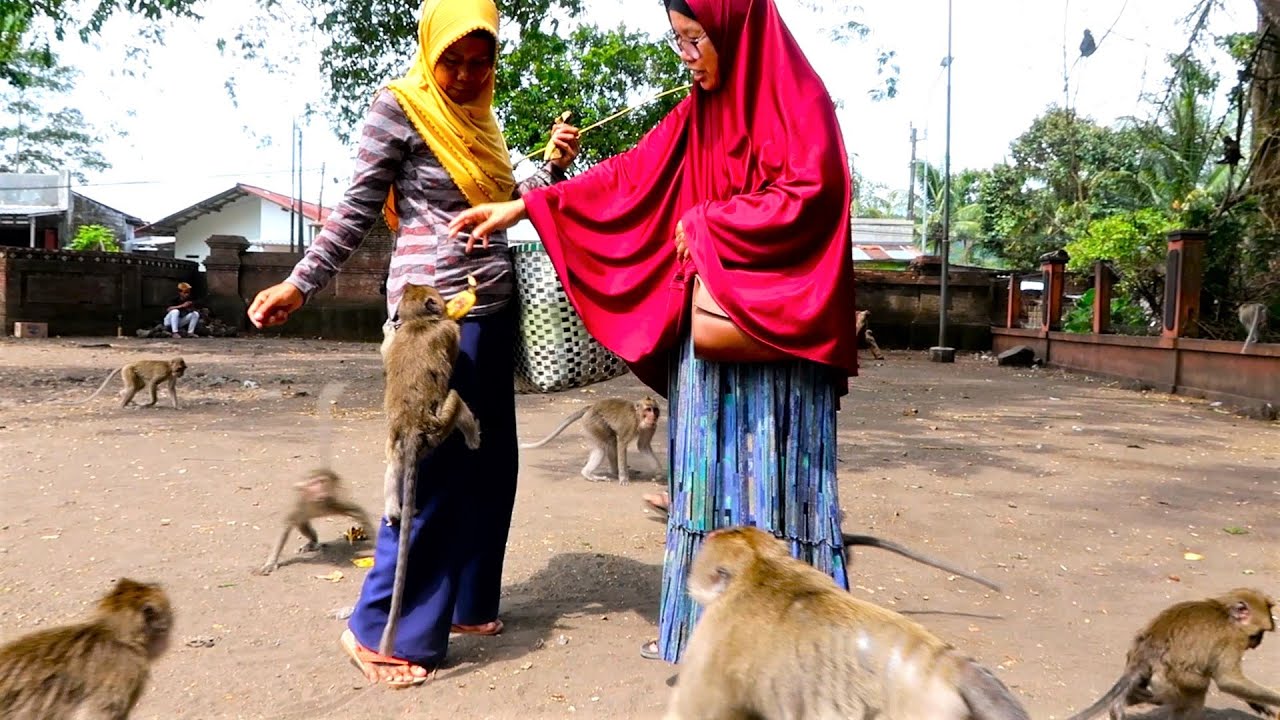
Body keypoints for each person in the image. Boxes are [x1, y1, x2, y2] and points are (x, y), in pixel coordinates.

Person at [448, 0, 859, 665]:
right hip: (708, 344)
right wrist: (523, 207)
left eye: (696, 39)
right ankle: (700, 639)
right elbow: (626, 176)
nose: (687, 57)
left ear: (734, 27)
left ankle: (795, 651)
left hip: (777, 342)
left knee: (776, 490)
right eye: (678, 41)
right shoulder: (697, 112)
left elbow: (815, 193)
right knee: (705, 488)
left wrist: (709, 224)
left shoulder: (800, 102)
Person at [245, 0, 580, 688]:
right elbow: (356, 209)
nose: (465, 75)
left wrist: (551, 165)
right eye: (451, 61)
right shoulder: (398, 107)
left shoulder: (480, 118)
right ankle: (381, 628)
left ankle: (468, 604)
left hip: (492, 310)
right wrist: (300, 284)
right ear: (429, 52)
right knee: (430, 471)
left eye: (480, 61)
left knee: (490, 466)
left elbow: (503, 199)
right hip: (431, 322)